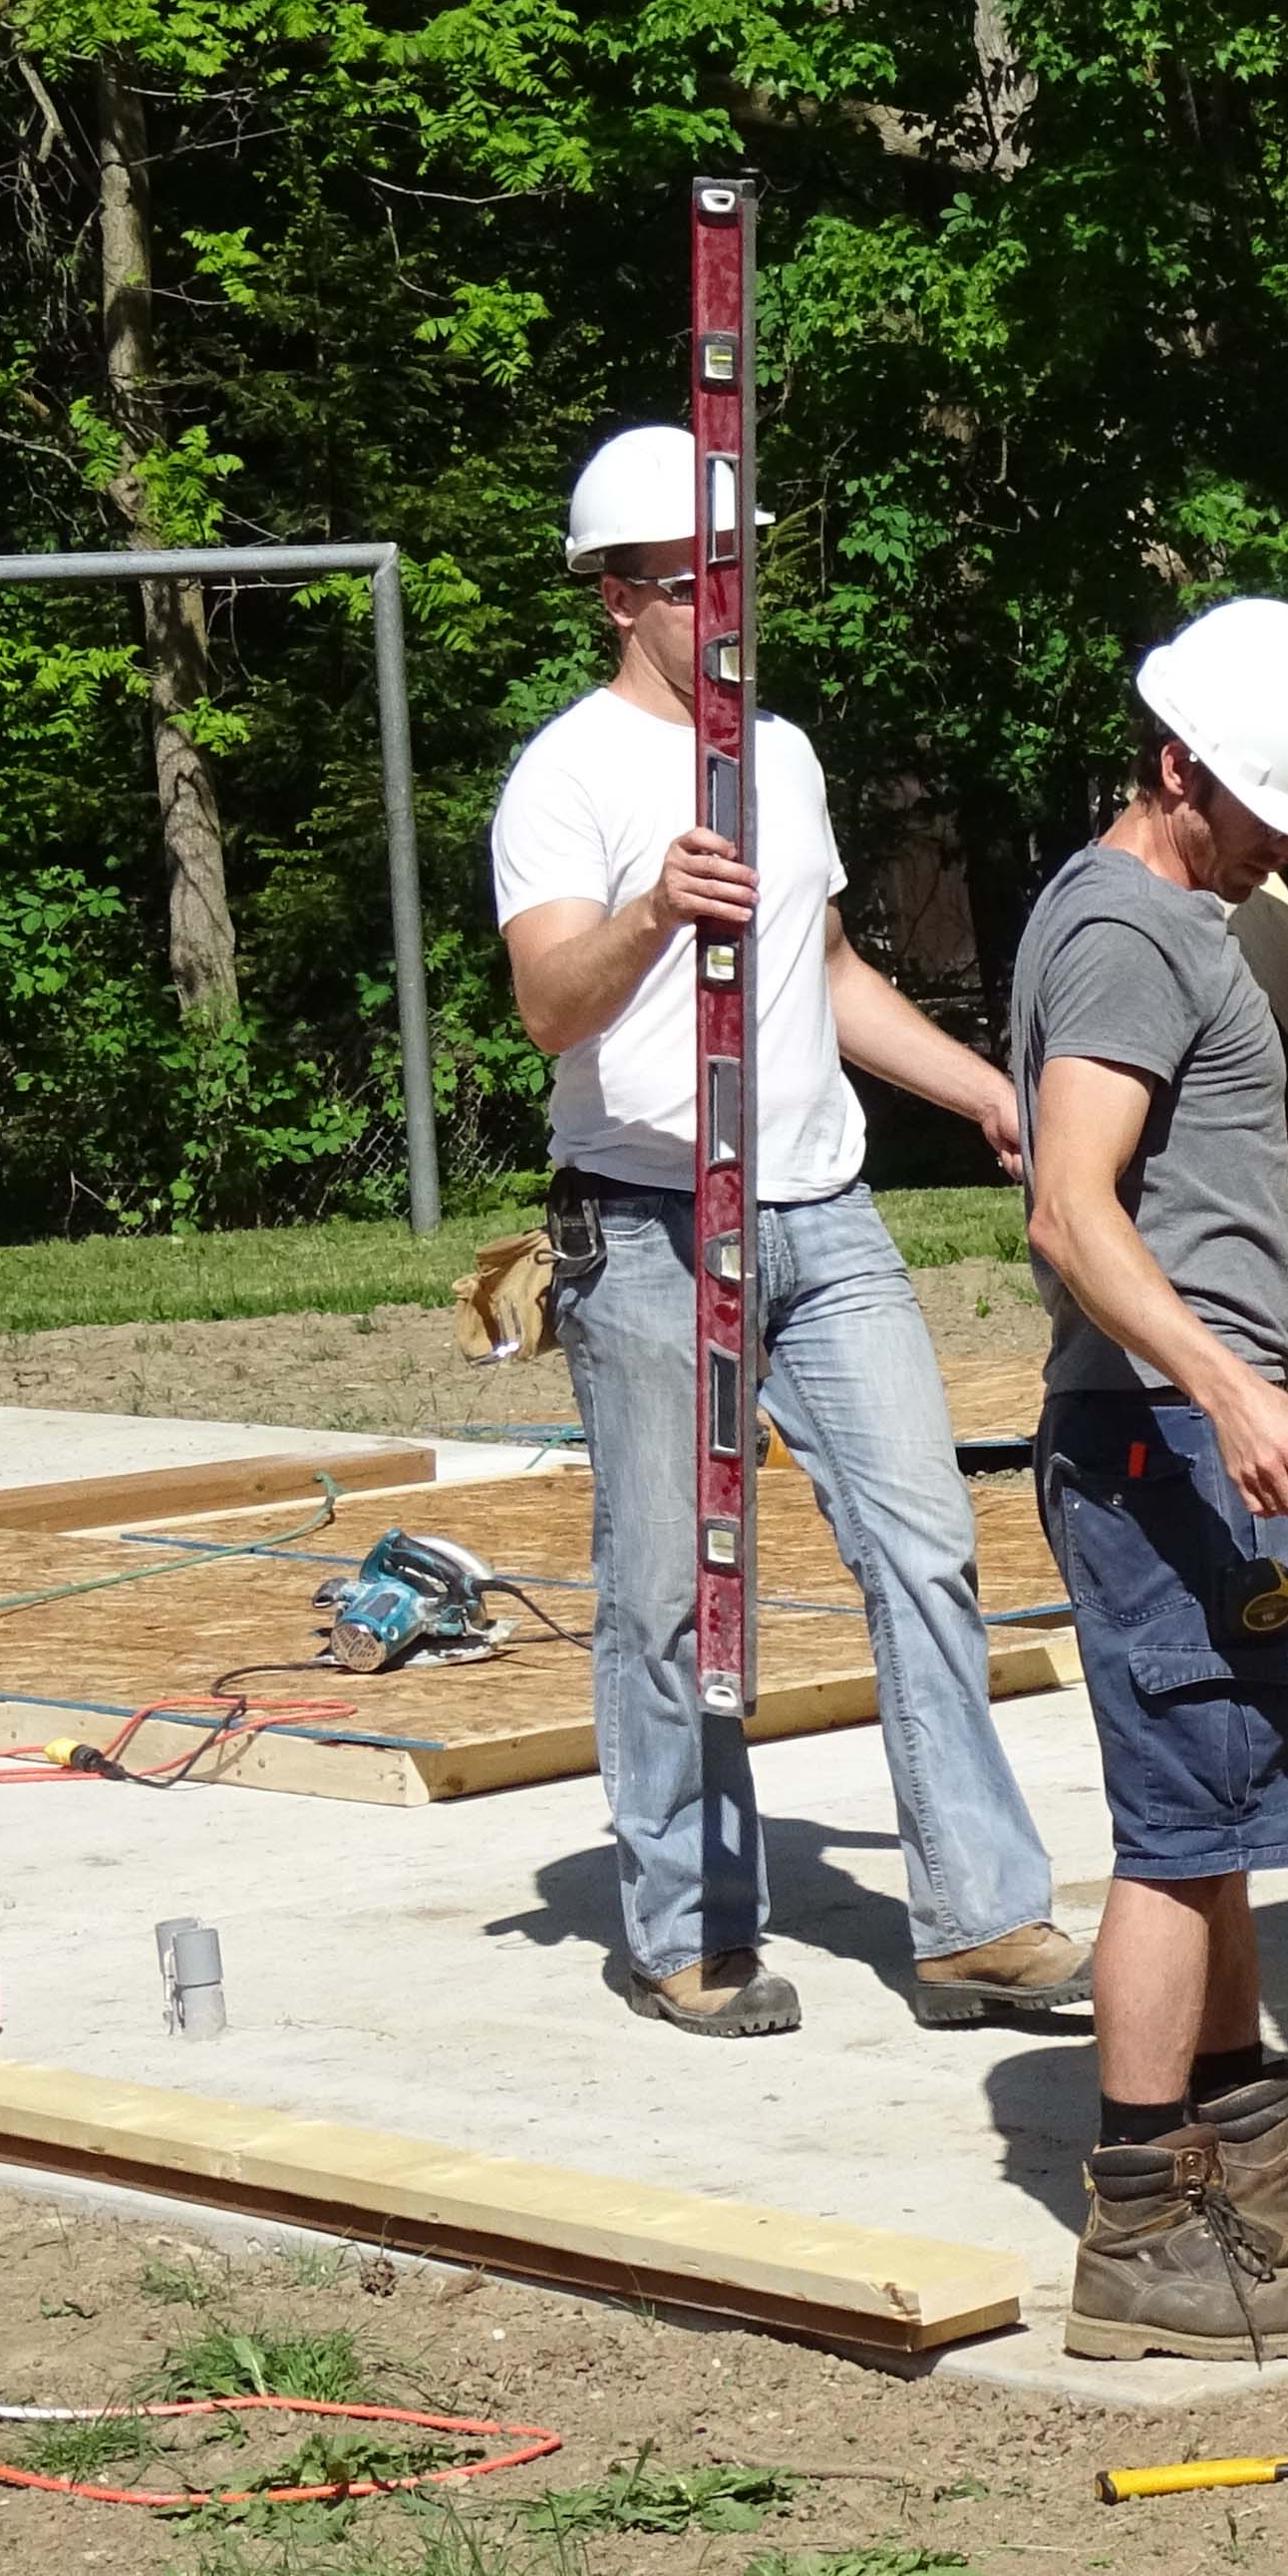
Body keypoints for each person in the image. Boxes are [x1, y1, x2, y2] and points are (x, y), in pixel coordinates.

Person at [492, 425, 1087, 2042]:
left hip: (821, 1213)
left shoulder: (787, 755)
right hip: (647, 1229)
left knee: (925, 1544)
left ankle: (977, 1918)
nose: (731, 606)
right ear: (622, 594)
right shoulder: (563, 779)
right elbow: (549, 1005)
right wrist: (648, 914)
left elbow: (824, 976)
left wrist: (988, 1093)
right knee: (671, 1591)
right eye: (700, 580)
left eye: (744, 571)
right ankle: (687, 1930)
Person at [1016, 593, 1288, 2361]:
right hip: (1154, 1434)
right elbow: (1070, 1202)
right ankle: (1138, 2228)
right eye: (1264, 808)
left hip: (1196, 1417)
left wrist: (1287, 1150)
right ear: (1177, 765)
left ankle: (1252, 2162)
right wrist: (1223, 1385)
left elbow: (1174, 1167)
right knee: (1178, 1830)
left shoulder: (1189, 914)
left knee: (1237, 1812)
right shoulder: (1123, 927)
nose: (1283, 845)